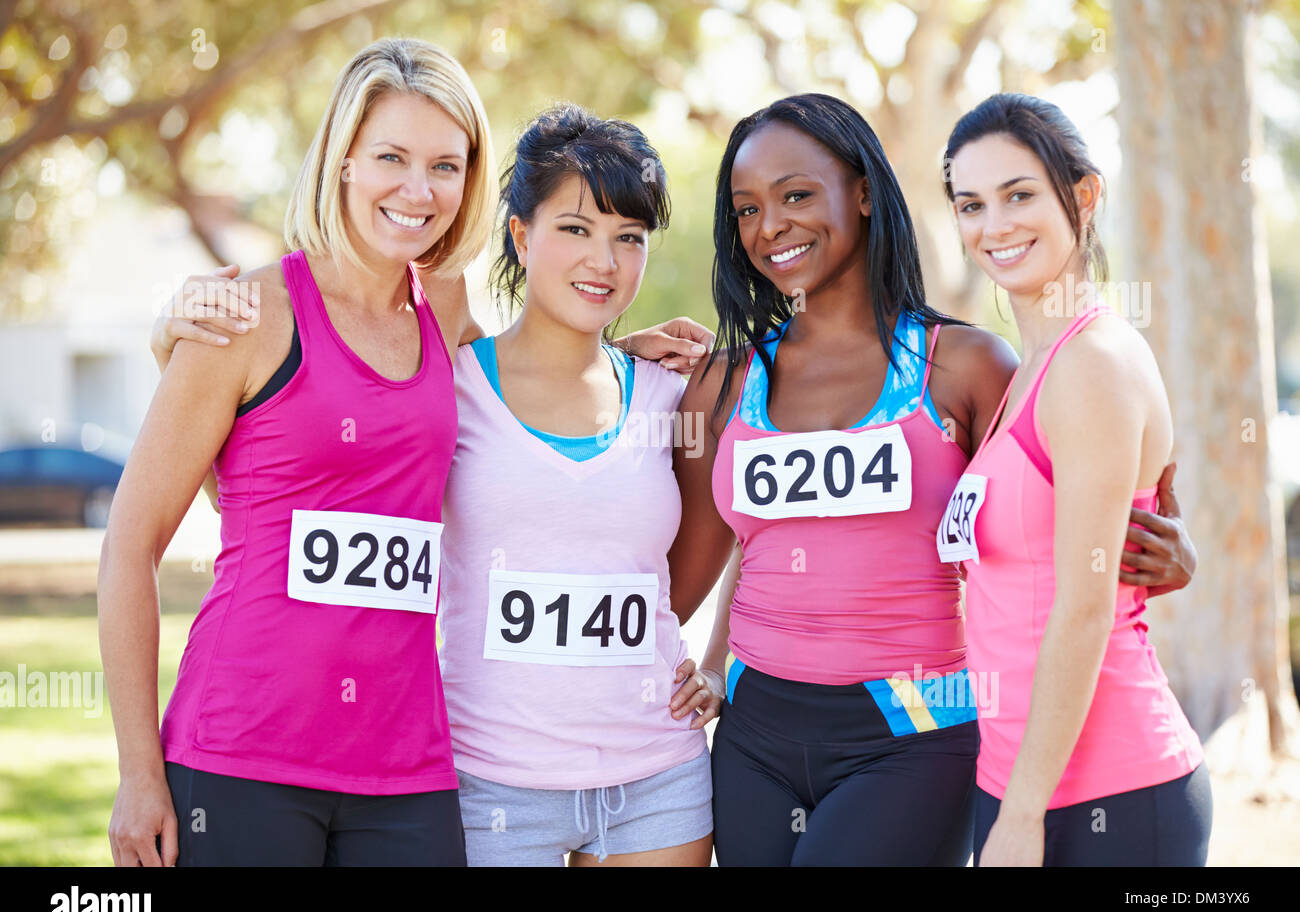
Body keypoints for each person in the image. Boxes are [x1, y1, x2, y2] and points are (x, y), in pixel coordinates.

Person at [104, 38, 708, 867]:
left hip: (409, 772)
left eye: (446, 166)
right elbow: (129, 549)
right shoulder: (242, 316)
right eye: (391, 157)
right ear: (342, 161)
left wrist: (618, 354)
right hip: (241, 750)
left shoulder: (446, 309)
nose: (418, 191)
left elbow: (526, 386)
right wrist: (139, 772)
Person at [665, 92, 1199, 866]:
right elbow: (747, 544)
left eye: (796, 195)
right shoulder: (724, 382)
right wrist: (710, 667)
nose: (770, 225)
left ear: (864, 193)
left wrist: (1175, 555)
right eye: (746, 209)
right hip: (755, 738)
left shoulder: (971, 365)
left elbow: (1045, 524)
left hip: (918, 733)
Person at [439, 105, 713, 867]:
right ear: (522, 237)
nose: (605, 260)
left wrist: (715, 660)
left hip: (659, 778)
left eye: (629, 238)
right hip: (491, 784)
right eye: (577, 229)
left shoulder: (670, 397)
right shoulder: (453, 387)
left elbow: (724, 545)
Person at [943, 92, 1210, 867]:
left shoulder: (1093, 362)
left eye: (1019, 194)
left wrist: (1023, 818)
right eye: (971, 203)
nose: (995, 225)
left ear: (1083, 195)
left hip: (1111, 798)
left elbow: (1084, 607)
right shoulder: (1028, 372)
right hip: (1016, 777)